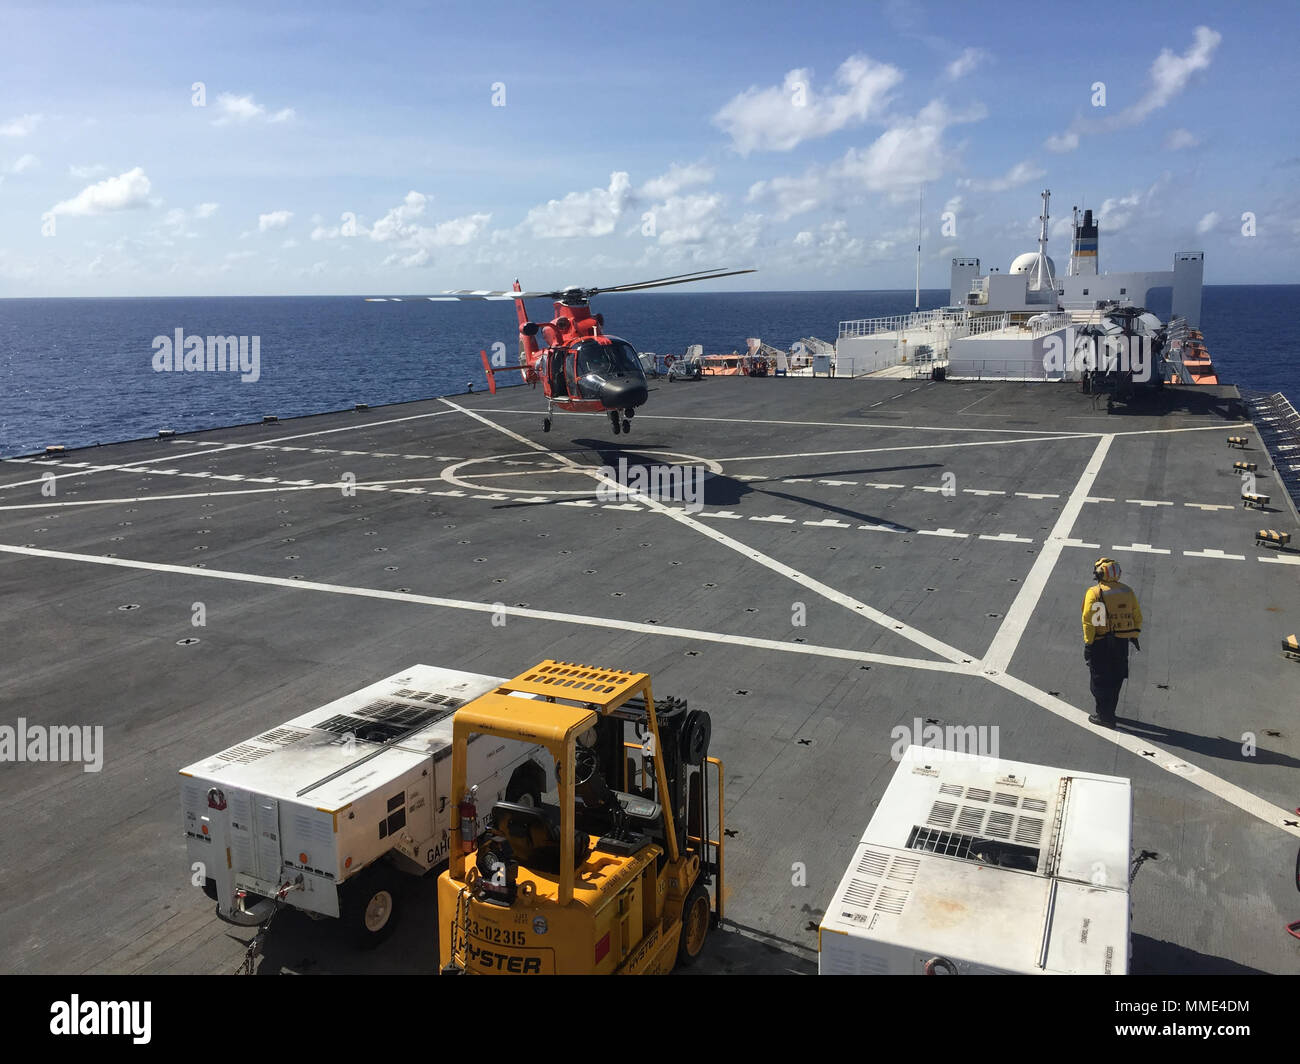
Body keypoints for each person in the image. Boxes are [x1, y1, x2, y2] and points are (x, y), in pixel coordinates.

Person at [1082, 558, 1143, 727]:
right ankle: (1111, 712)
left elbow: (1090, 621)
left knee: (1100, 680)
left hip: (1101, 643)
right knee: (1116, 678)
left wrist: (1089, 644)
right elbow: (1137, 616)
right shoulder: (1127, 591)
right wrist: (1134, 634)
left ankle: (1104, 716)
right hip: (1122, 643)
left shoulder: (1095, 593)